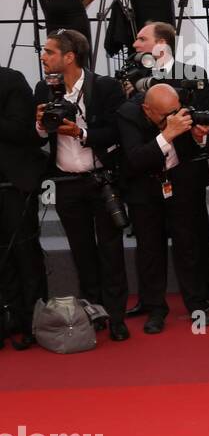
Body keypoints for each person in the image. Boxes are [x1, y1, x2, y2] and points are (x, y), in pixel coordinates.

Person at [33, 29, 128, 340]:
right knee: (82, 252)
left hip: (101, 180)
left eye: (49, 52)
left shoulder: (104, 87)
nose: (43, 57)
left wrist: (81, 133)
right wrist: (39, 124)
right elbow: (38, 138)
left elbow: (116, 132)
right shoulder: (43, 89)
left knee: (111, 252)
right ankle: (93, 314)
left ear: (69, 57)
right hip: (65, 183)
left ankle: (115, 317)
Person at [115, 84, 209, 333]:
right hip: (144, 189)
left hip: (179, 184)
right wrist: (167, 134)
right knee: (150, 251)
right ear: (147, 109)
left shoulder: (179, 111)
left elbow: (192, 151)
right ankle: (155, 309)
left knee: (187, 245)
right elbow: (135, 158)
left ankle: (197, 305)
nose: (173, 117)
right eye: (165, 115)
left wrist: (198, 138)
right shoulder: (128, 115)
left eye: (176, 110)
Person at [0, 65, 48, 349]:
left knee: (24, 253)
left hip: (14, 184)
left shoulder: (10, 80)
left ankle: (33, 320)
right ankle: (8, 318)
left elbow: (22, 130)